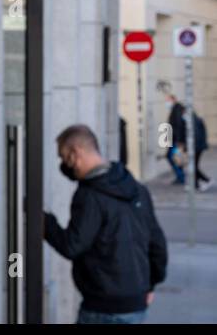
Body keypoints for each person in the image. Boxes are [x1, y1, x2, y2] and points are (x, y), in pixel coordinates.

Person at [44, 124, 167, 324]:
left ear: (76, 153)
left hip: (103, 306)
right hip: (136, 302)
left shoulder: (90, 196)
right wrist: (151, 284)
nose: (63, 164)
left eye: (63, 157)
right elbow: (157, 243)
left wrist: (45, 223)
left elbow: (73, 245)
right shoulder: (136, 189)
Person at [167, 95, 188, 185]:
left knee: (174, 157)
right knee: (174, 157)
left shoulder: (177, 109)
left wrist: (179, 141)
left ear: (173, 100)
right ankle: (180, 176)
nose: (167, 103)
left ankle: (181, 177)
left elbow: (179, 126)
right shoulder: (176, 109)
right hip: (175, 139)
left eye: (168, 100)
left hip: (177, 140)